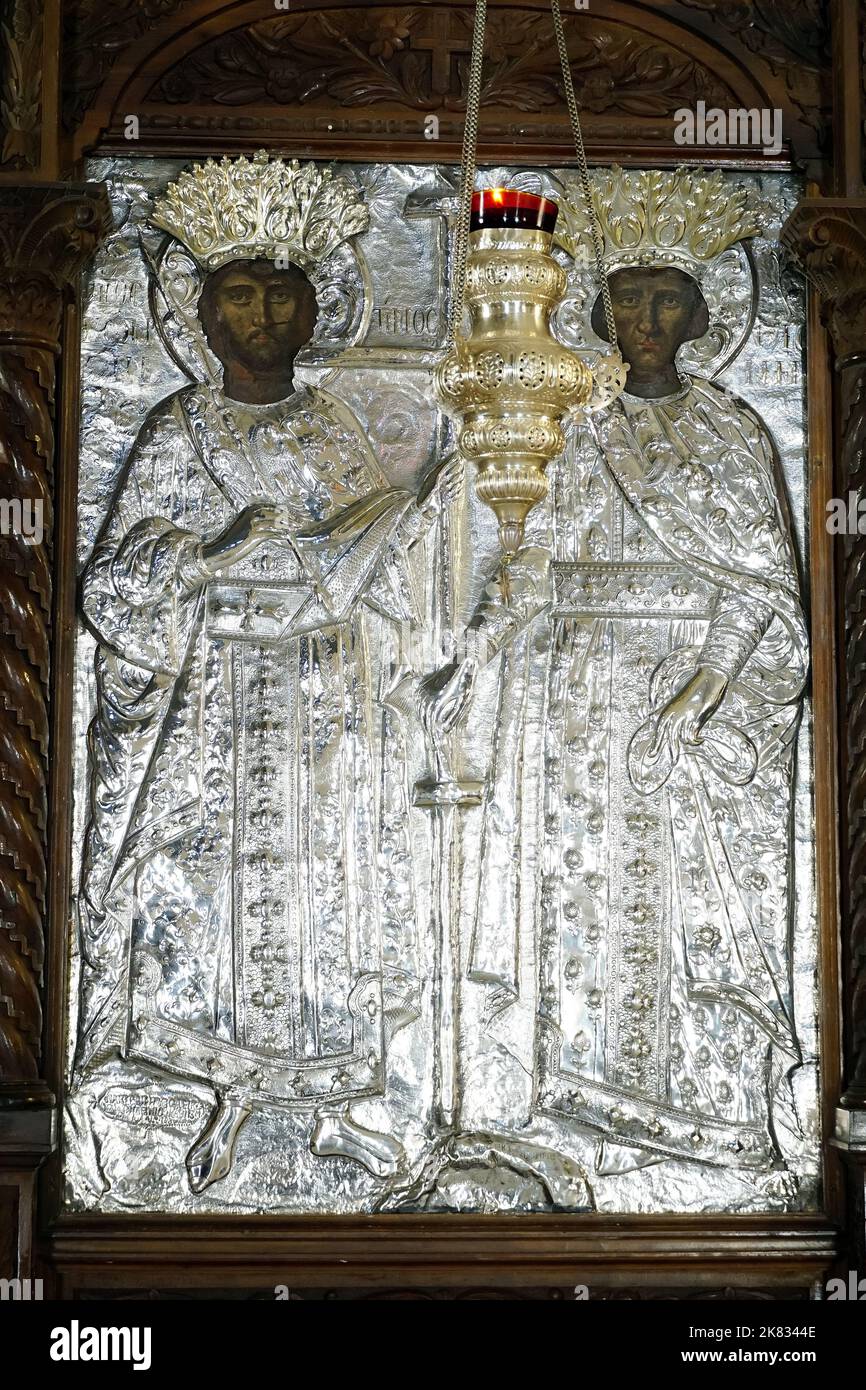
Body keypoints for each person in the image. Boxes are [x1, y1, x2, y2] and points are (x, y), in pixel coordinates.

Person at [75, 173, 457, 1193]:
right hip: (215, 705)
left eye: (283, 294)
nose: (264, 314)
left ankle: (322, 1111)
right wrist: (209, 551)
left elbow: (379, 569)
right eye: (240, 294)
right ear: (199, 311)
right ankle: (216, 1103)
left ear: (315, 308)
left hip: (325, 705)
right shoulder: (175, 430)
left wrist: (386, 549)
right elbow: (112, 587)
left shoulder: (330, 427)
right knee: (219, 901)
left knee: (319, 897)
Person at [447, 172, 808, 1182]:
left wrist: (696, 698)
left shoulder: (728, 433)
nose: (642, 316)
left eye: (663, 296)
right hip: (577, 705)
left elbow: (764, 592)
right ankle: (584, 1110)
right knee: (580, 892)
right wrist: (481, 640)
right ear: (597, 307)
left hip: (688, 695)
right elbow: (528, 554)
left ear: (699, 312)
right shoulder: (572, 424)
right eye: (625, 295)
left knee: (694, 904)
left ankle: (715, 1120)